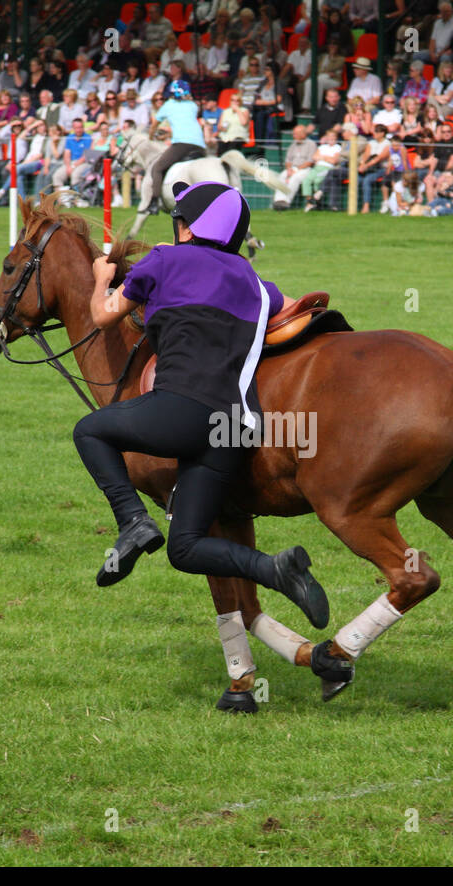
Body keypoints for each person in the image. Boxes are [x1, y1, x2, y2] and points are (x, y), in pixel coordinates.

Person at [74, 181, 329, 630]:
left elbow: (102, 316)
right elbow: (297, 310)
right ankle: (276, 569)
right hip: (235, 427)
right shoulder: (254, 281)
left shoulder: (165, 259)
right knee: (184, 547)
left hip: (183, 410)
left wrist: (99, 279)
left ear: (188, 230)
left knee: (90, 430)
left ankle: (132, 521)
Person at [144, 79, 206, 214]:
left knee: (157, 168)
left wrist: (150, 136)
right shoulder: (193, 105)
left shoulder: (168, 105)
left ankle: (154, 203)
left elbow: (155, 124)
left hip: (182, 144)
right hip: (200, 146)